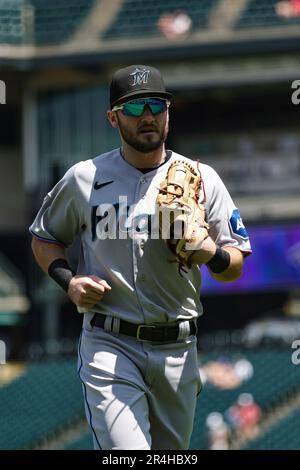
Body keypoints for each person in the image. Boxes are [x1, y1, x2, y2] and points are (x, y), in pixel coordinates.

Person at [29, 64, 252, 450]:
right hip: (109, 343)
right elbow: (44, 238)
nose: (147, 116)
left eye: (155, 105)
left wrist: (211, 253)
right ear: (113, 118)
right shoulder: (85, 177)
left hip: (178, 350)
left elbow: (235, 266)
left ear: (168, 110)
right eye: (134, 108)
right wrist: (70, 281)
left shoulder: (202, 178)